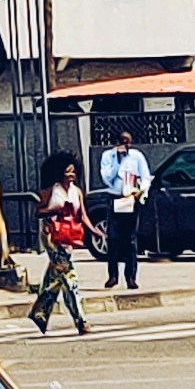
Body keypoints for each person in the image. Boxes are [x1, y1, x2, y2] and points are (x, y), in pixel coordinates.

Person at [28, 152, 91, 337]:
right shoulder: (50, 191)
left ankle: (39, 313)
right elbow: (38, 212)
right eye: (68, 172)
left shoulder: (76, 191)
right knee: (69, 278)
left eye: (73, 172)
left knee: (55, 279)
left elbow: (83, 215)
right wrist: (54, 209)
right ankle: (81, 321)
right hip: (51, 237)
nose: (71, 175)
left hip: (69, 237)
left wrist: (94, 231)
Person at [97, 129, 152, 293]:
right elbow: (107, 178)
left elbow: (146, 177)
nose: (126, 145)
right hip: (115, 197)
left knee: (130, 239)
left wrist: (140, 192)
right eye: (122, 141)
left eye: (128, 141)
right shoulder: (108, 157)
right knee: (113, 238)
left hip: (132, 198)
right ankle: (113, 275)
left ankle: (131, 277)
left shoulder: (137, 156)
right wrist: (119, 163)